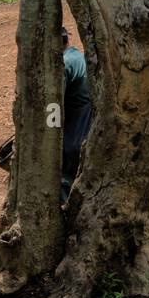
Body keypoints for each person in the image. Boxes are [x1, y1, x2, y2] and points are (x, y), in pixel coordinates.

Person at [61, 27, 92, 202]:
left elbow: (54, 105)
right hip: (87, 115)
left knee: (66, 159)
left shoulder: (63, 64)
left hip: (79, 119)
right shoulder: (78, 56)